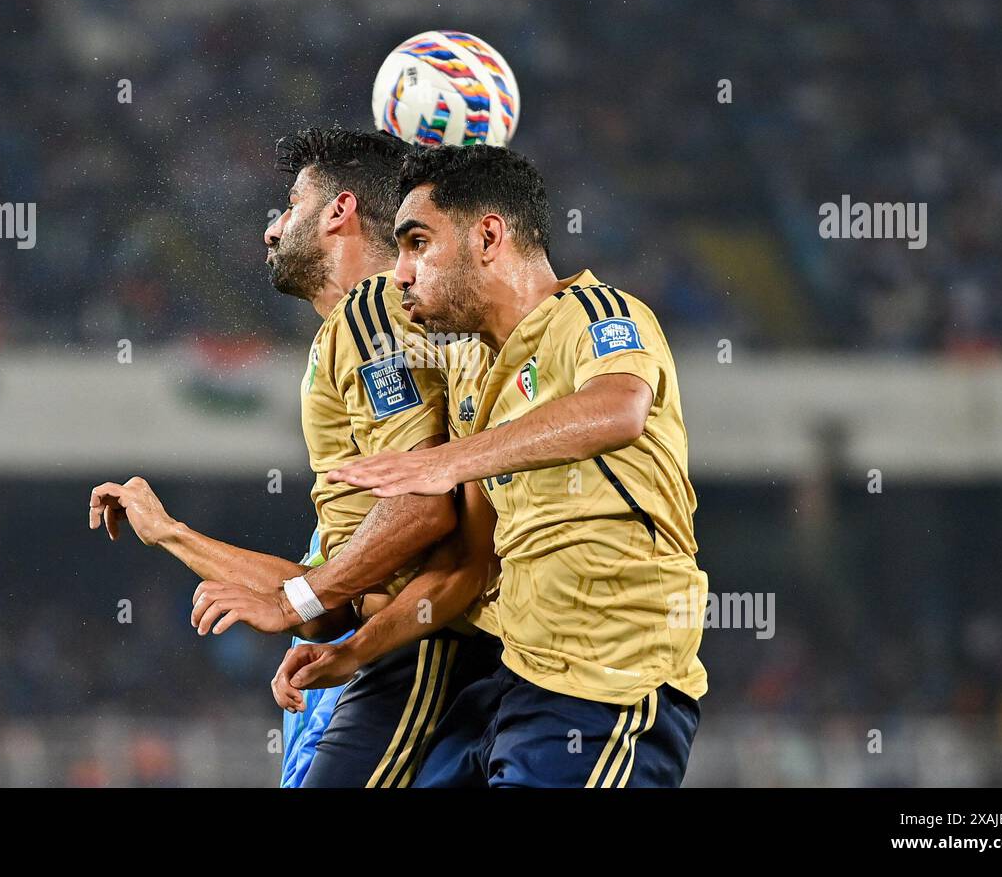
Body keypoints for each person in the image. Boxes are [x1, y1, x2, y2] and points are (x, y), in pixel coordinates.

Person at [278, 144, 707, 787]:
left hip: (611, 687)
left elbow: (619, 408)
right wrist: (352, 652)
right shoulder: (471, 371)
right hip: (516, 687)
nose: (401, 273)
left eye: (418, 244)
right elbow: (468, 568)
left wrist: (447, 462)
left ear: (487, 237)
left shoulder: (595, 314)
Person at [90, 128, 495, 787]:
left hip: (414, 652)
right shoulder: (365, 328)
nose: (272, 230)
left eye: (290, 205)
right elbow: (336, 590)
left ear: (339, 211)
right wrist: (171, 534)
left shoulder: (374, 311)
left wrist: (298, 602)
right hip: (384, 645)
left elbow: (421, 509)